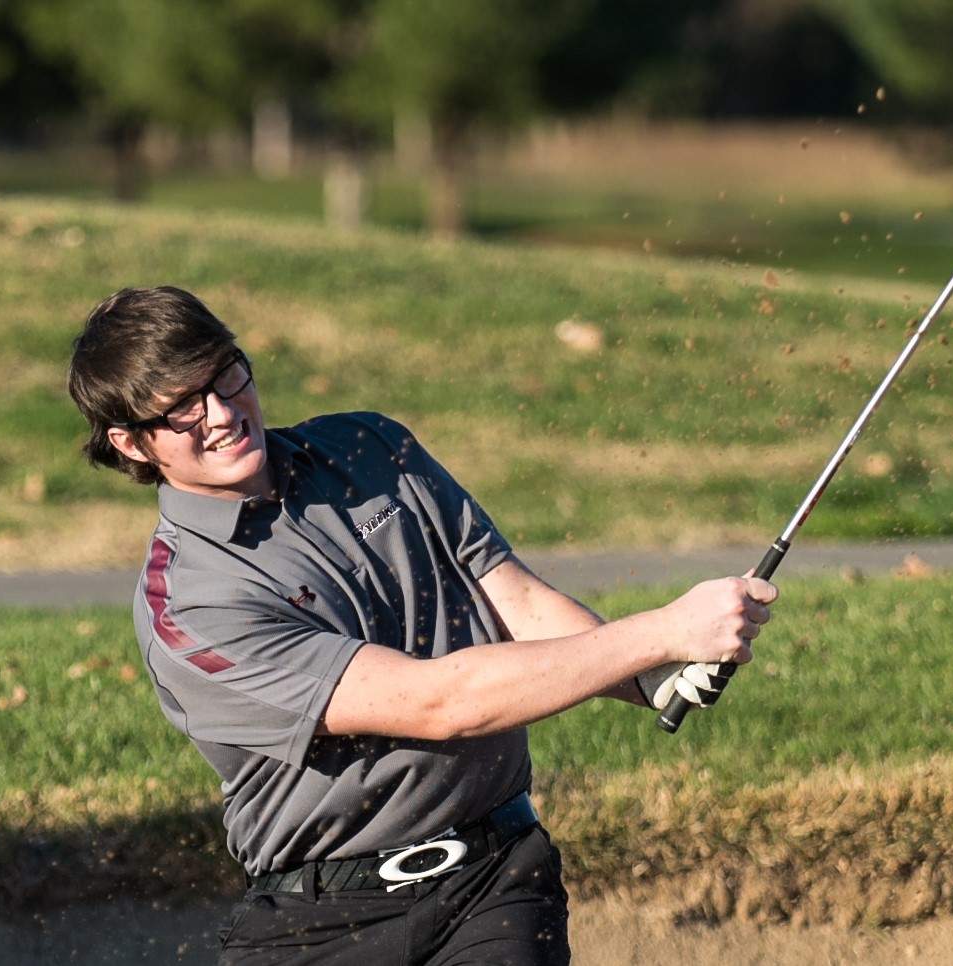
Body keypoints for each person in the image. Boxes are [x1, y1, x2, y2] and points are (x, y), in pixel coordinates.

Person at [65, 286, 776, 965]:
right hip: (325, 926)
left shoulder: (368, 448)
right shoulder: (189, 606)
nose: (220, 413)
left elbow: (516, 603)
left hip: (494, 880)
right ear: (132, 444)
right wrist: (665, 630)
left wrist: (653, 678)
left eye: (225, 377)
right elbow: (438, 703)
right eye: (181, 410)